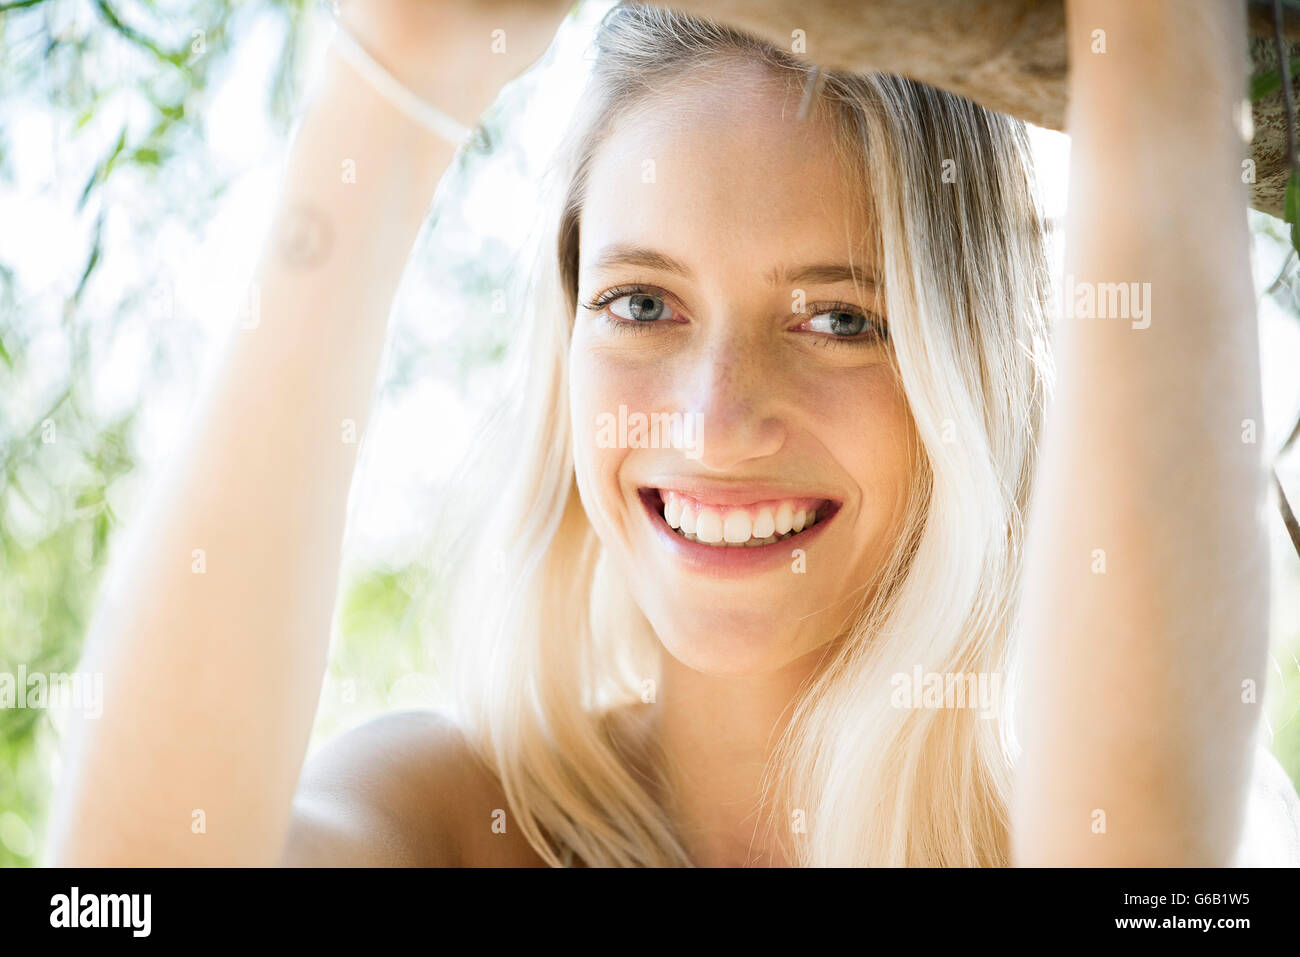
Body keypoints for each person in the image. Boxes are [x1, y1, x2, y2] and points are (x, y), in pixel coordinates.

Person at [48, 0, 1300, 867]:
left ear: (971, 368)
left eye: (840, 318)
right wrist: (388, 89)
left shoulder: (1119, 813)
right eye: (642, 303)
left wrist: (1156, 68)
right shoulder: (456, 821)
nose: (713, 422)